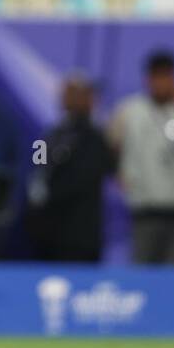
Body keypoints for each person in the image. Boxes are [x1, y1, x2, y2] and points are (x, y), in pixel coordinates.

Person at [108, 52, 174, 263]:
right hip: (144, 207)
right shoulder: (130, 109)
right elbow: (111, 143)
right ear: (149, 78)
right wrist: (118, 172)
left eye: (169, 77)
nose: (163, 83)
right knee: (144, 272)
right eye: (159, 77)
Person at [28, 75, 114, 262]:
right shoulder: (51, 135)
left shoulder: (94, 138)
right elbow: (39, 164)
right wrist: (38, 191)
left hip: (79, 234)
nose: (78, 99)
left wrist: (50, 193)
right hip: (48, 233)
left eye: (83, 94)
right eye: (72, 93)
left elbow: (86, 176)